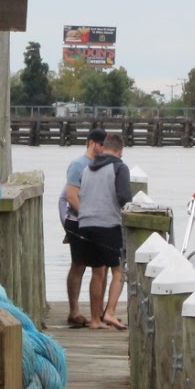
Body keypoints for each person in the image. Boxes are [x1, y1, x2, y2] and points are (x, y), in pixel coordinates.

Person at [76, 133, 131, 329]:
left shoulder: (87, 168)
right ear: (120, 151)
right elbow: (125, 197)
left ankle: (95, 320)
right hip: (108, 224)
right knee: (119, 271)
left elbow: (81, 194)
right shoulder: (119, 167)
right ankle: (110, 312)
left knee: (97, 271)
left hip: (85, 224)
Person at [59, 128, 107, 327]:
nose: (104, 149)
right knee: (78, 265)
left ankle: (100, 313)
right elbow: (71, 196)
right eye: (102, 145)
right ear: (92, 143)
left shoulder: (103, 165)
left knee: (101, 267)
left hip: (99, 223)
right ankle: (74, 312)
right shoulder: (78, 165)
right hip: (78, 221)